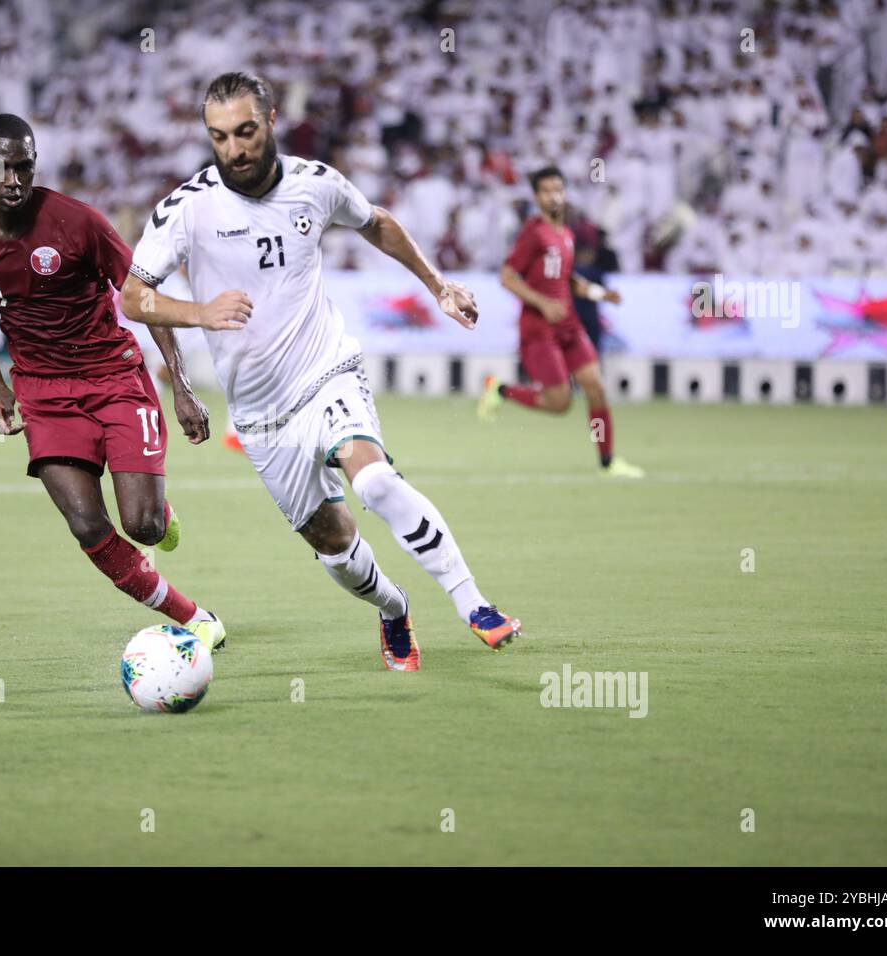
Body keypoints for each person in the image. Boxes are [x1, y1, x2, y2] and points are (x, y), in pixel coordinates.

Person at [119, 73, 520, 672]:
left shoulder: (315, 185)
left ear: (272, 121)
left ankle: (474, 605)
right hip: (258, 415)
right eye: (220, 136)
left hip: (325, 368)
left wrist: (438, 286)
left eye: (246, 131)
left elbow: (376, 221)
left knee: (375, 481)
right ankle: (392, 608)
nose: (235, 149)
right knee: (334, 545)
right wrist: (195, 331)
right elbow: (133, 297)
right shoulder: (188, 208)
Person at [0, 113, 225, 649]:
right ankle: (194, 617)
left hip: (114, 377)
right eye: (0, 168)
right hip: (42, 392)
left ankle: (158, 514)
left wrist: (180, 384)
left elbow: (144, 298)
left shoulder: (79, 223)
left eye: (24, 167)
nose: (14, 180)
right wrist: (0, 389)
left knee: (142, 526)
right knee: (87, 525)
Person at [478, 166, 644, 478]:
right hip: (539, 329)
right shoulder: (534, 232)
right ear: (537, 196)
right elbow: (507, 277)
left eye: (558, 189)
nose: (554, 196)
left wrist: (599, 294)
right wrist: (542, 302)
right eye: (547, 191)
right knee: (559, 402)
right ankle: (500, 390)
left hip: (569, 325)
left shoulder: (567, 233)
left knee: (596, 387)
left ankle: (607, 461)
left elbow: (568, 279)